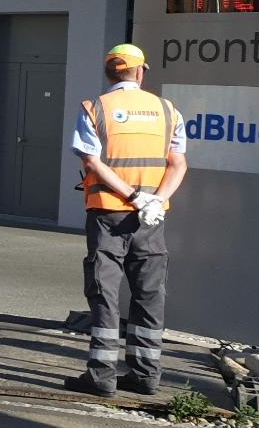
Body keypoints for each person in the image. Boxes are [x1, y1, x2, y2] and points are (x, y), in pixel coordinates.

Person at [68, 41, 188, 398]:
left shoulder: (95, 108)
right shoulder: (168, 111)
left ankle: (102, 376)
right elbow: (178, 164)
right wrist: (154, 200)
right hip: (151, 219)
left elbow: (91, 162)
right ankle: (145, 375)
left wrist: (132, 196)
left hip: (107, 212)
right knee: (149, 293)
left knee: (105, 291)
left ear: (109, 73)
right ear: (140, 72)